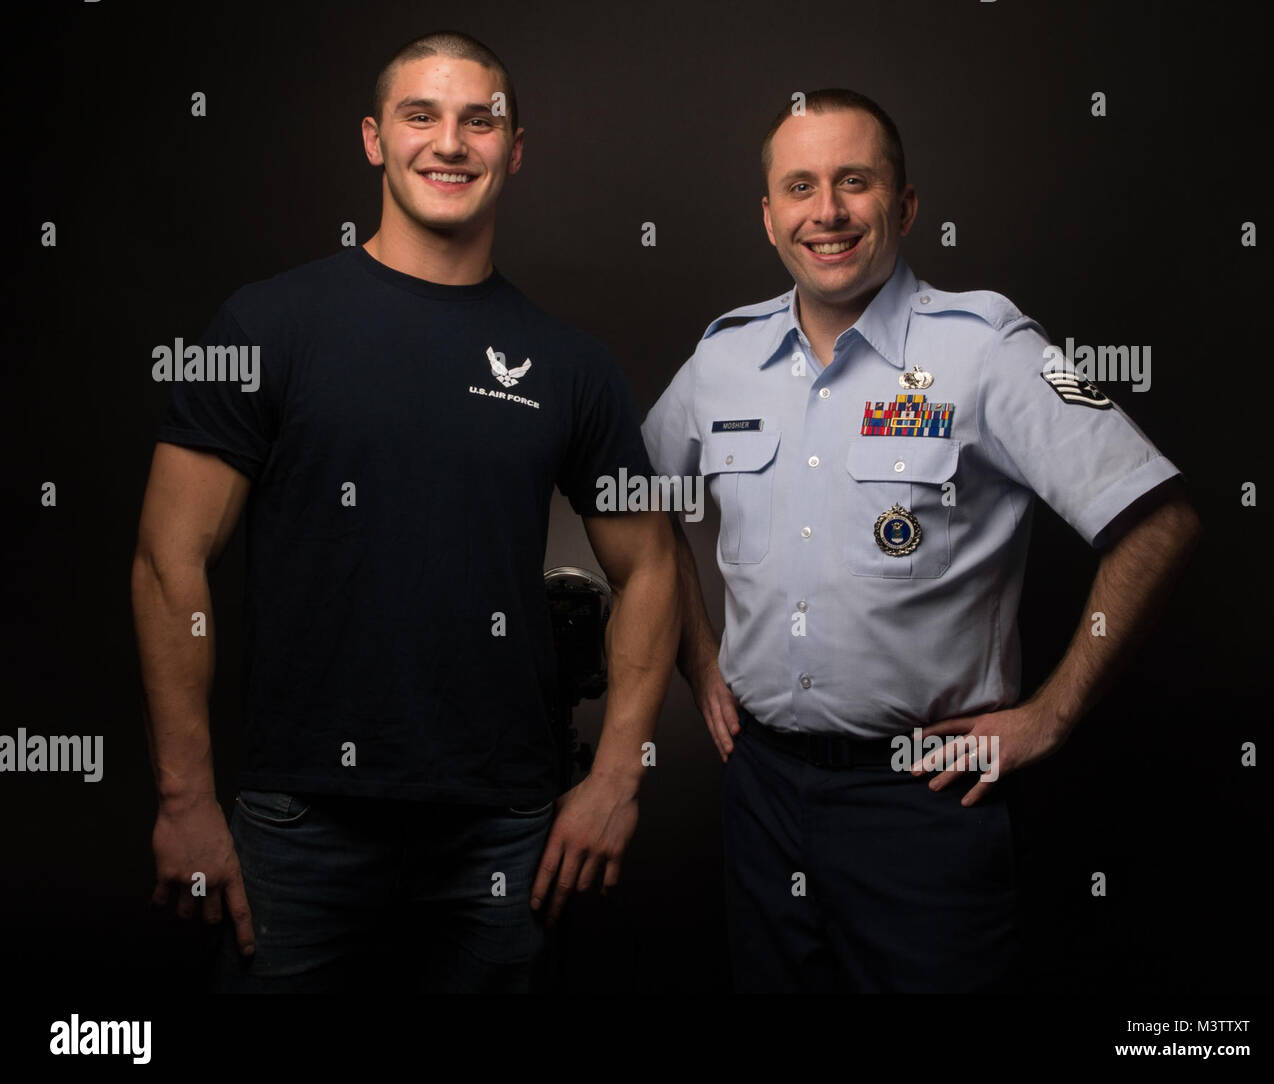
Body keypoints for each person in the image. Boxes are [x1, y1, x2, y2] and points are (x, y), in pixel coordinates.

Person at [132, 30, 678, 994]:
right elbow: (169, 561)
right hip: (299, 825)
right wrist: (184, 797)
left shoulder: (569, 363)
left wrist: (616, 781)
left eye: (481, 119)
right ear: (374, 139)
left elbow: (651, 570)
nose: (451, 142)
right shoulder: (268, 326)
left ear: (516, 149)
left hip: (506, 828)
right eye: (421, 115)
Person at [641, 88, 1201, 993]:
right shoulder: (723, 357)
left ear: (902, 205)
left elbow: (1159, 519)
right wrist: (699, 660)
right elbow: (639, 506)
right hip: (762, 795)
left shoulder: (987, 349)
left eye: (854, 183)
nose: (827, 212)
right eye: (801, 187)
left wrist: (1049, 715)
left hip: (925, 809)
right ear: (769, 217)